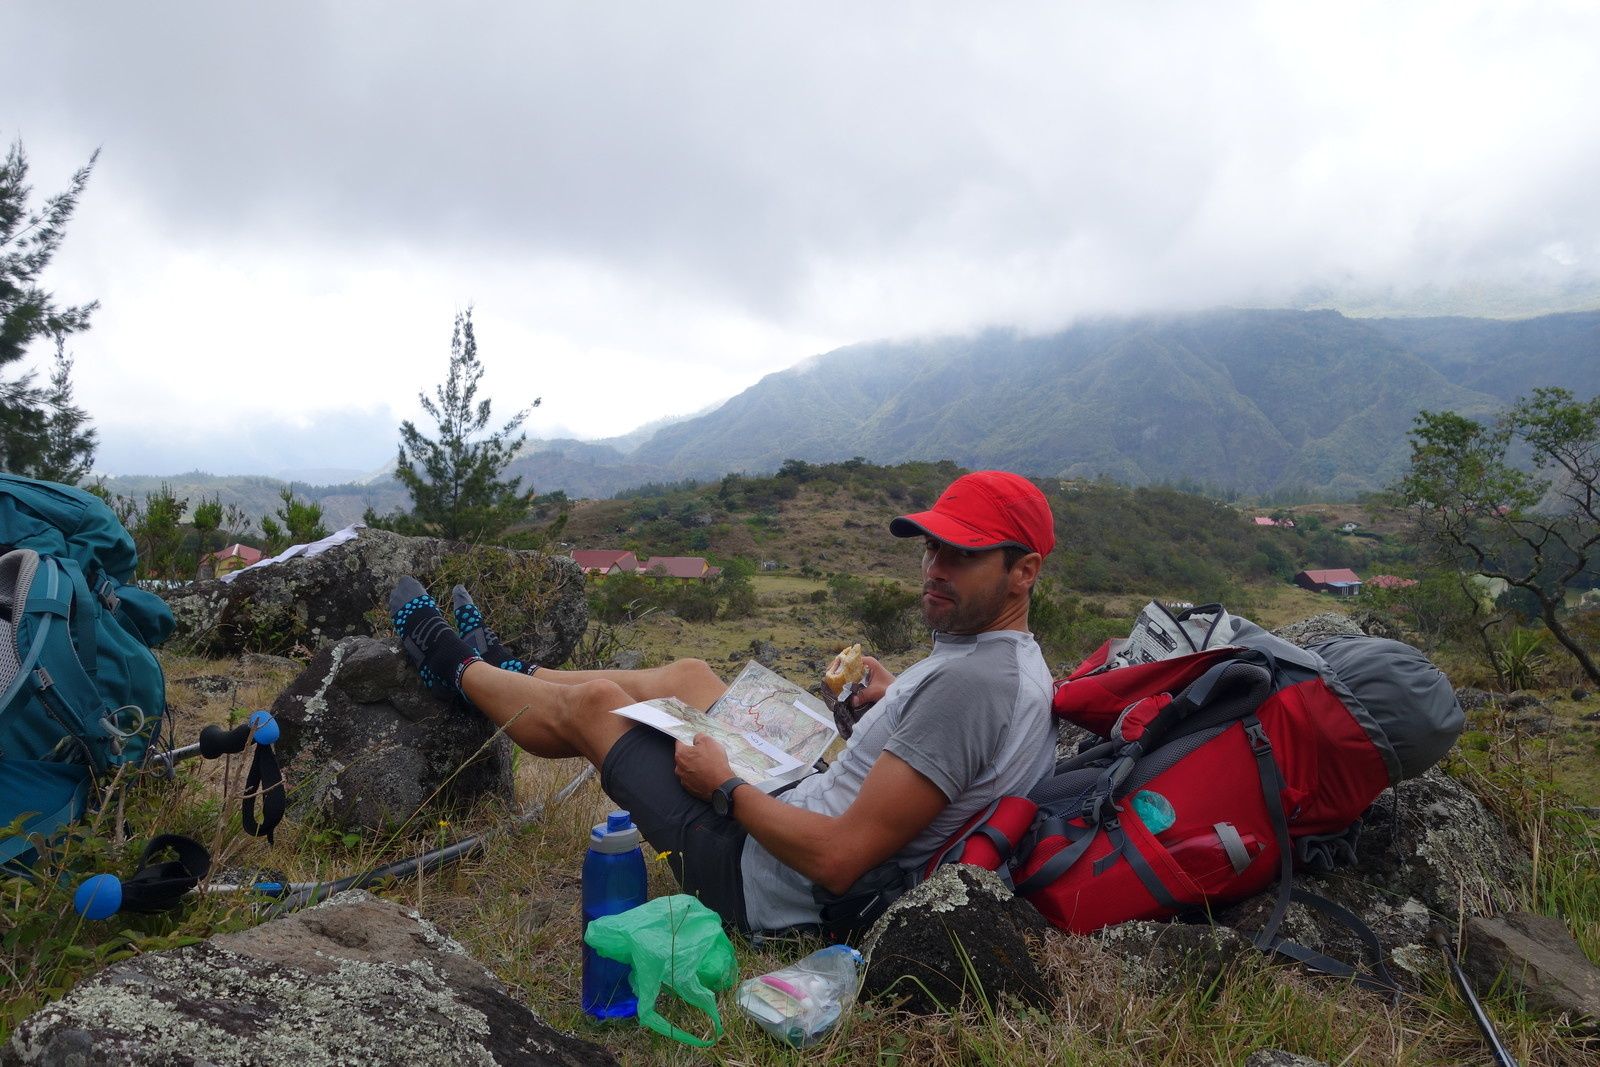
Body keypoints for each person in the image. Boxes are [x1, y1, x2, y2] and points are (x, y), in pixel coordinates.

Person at [389, 469, 1058, 934]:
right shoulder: (1013, 664)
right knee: (687, 673)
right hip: (800, 799)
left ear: (1023, 570)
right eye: (932, 548)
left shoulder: (973, 685)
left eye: (962, 554)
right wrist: (876, 711)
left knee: (599, 703)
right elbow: (922, 779)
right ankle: (518, 671)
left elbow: (838, 858)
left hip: (766, 876)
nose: (935, 568)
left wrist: (726, 786)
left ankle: (451, 665)